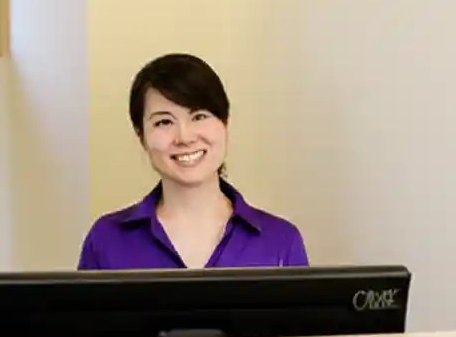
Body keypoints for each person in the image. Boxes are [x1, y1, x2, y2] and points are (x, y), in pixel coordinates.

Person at [78, 53, 308, 270]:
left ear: (224, 124)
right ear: (142, 136)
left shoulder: (281, 242)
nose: (185, 138)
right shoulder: (106, 240)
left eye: (199, 117)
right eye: (164, 122)